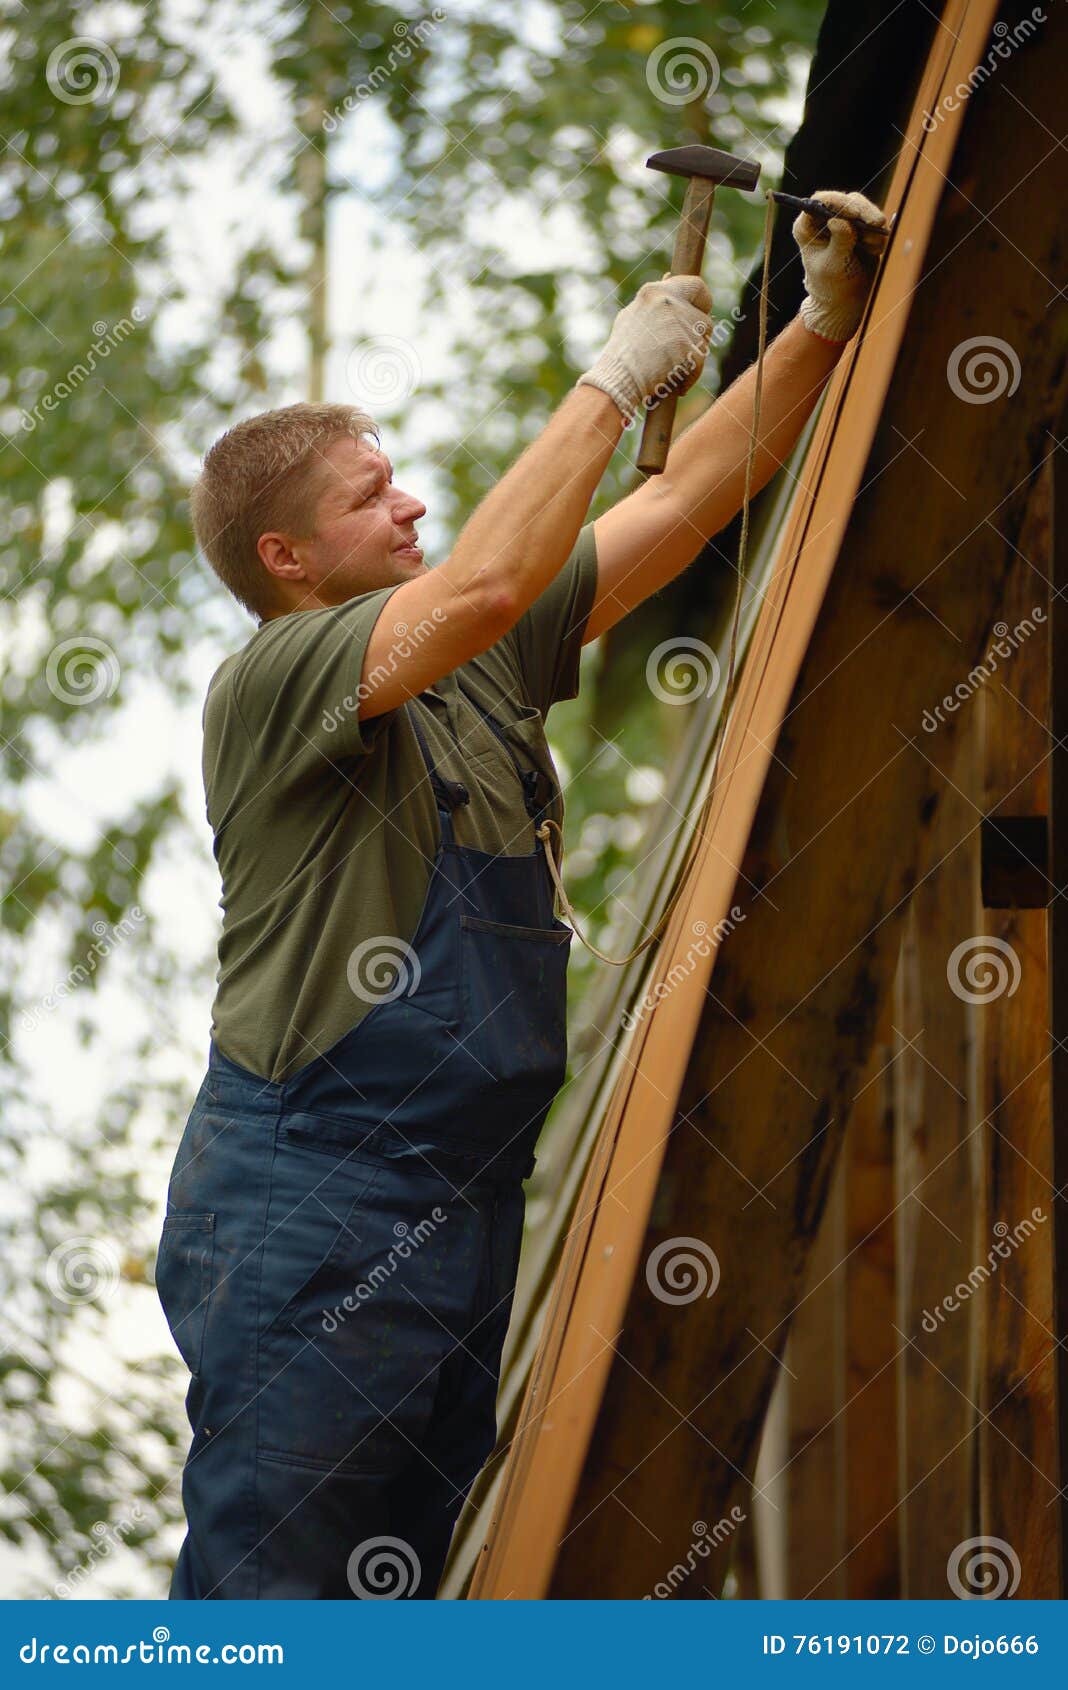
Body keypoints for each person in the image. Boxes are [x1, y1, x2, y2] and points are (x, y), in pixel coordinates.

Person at [154, 190, 886, 1599]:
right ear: (285, 562)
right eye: (370, 497)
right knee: (277, 1589)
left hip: (463, 1191)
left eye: (400, 476)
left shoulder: (475, 668)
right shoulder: (281, 674)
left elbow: (678, 501)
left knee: (396, 1583)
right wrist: (612, 381)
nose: (412, 499)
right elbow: (490, 580)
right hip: (313, 1193)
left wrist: (819, 327)